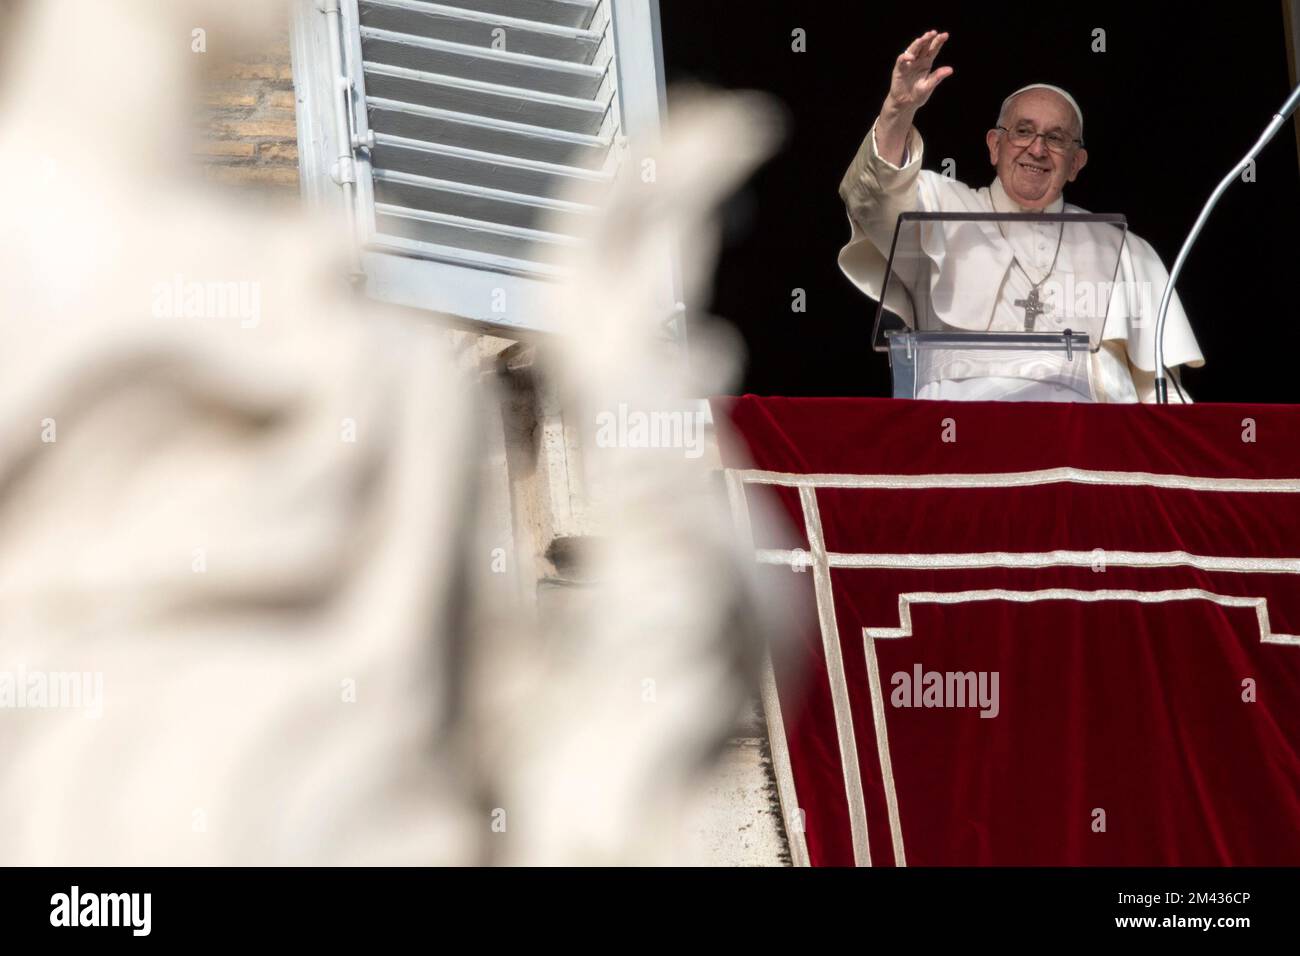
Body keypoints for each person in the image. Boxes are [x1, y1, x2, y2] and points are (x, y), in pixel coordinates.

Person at [839, 29, 1204, 402]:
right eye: (1023, 132)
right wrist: (898, 109)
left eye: (1057, 138)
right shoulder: (940, 206)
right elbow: (870, 198)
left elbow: (1161, 392)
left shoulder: (1124, 249)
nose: (1037, 148)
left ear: (1076, 164)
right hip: (959, 439)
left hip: (1086, 447)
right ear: (995, 146)